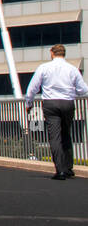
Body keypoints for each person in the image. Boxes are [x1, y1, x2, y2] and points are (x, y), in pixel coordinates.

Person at [25, 44, 88, 180]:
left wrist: (28, 103)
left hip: (50, 103)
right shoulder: (72, 69)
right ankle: (69, 168)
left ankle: (60, 170)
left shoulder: (44, 67)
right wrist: (72, 91)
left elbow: (33, 88)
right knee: (66, 134)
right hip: (67, 103)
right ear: (64, 54)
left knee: (55, 137)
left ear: (52, 53)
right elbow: (83, 89)